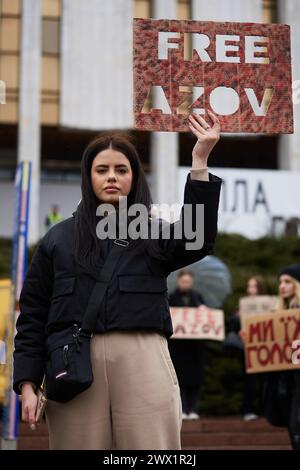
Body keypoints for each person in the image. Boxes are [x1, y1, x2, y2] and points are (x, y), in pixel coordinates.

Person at [13, 111, 222, 450]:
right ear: (88, 177)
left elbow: (198, 238)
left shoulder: (153, 231)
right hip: (73, 364)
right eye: (102, 170)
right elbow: (33, 315)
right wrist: (26, 382)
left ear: (134, 178)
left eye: (121, 170)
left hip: (144, 359)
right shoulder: (57, 239)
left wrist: (200, 159)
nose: (112, 177)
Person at [261, 264, 300, 450]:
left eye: (287, 282)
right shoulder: (275, 316)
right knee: (293, 432)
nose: (282, 286)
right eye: (280, 282)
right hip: (284, 383)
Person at [168, 269, 205, 420]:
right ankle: (182, 409)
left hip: (195, 347)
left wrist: (204, 310)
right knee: (179, 378)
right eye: (183, 281)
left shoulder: (198, 297)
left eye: (188, 281)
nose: (186, 284)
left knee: (195, 379)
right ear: (178, 281)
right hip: (177, 347)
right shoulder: (171, 297)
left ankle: (193, 408)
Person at [228, 275, 266, 421]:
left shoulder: (268, 304)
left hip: (263, 349)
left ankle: (264, 410)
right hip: (248, 349)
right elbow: (233, 328)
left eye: (254, 286)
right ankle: (248, 410)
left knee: (265, 381)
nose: (251, 289)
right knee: (249, 381)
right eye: (249, 286)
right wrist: (237, 317)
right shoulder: (241, 305)